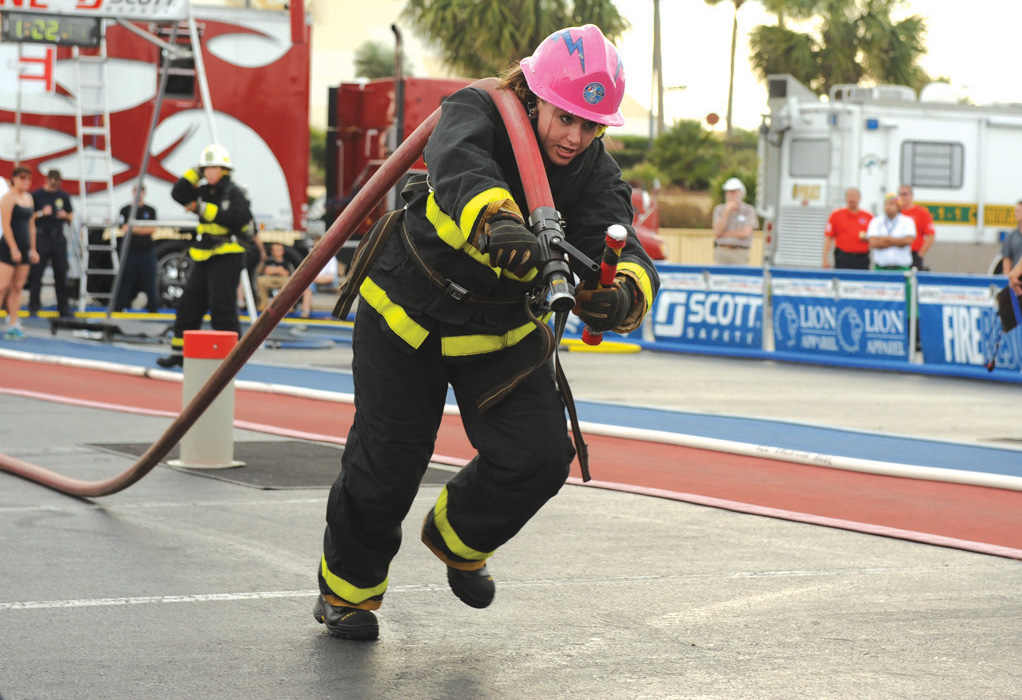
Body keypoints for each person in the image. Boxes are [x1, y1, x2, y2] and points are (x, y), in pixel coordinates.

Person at [312, 24, 660, 642]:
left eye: (591, 125)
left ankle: (459, 537)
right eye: (566, 118)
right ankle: (349, 595)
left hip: (497, 334)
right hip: (406, 320)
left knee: (542, 456)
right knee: (386, 467)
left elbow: (616, 234)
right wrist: (498, 224)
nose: (576, 137)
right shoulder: (473, 111)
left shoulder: (594, 170)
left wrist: (620, 293)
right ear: (530, 93)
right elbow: (463, 169)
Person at [156, 144, 251, 367]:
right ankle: (179, 354)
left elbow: (238, 219)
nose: (209, 173)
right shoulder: (204, 190)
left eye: (213, 168)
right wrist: (194, 173)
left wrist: (202, 209)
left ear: (225, 170)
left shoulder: (234, 192)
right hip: (203, 255)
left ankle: (230, 360)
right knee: (189, 305)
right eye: (205, 169)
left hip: (227, 255)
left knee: (222, 307)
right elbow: (178, 193)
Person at [28, 169, 73, 317]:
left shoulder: (63, 196)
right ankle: (34, 305)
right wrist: (41, 213)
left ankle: (63, 307)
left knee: (61, 273)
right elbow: (28, 217)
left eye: (57, 181)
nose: (55, 184)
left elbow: (71, 215)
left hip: (58, 237)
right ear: (47, 179)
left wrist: (66, 216)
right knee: (36, 273)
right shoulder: (36, 195)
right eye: (52, 181)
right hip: (41, 236)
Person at [0, 166, 39, 338]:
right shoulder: (8, 198)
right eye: (22, 178)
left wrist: (33, 249)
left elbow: (31, 226)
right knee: (2, 286)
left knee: (17, 287)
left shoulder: (29, 198)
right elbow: (6, 225)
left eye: (29, 179)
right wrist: (13, 247)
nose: (26, 182)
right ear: (14, 178)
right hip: (9, 247)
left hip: (24, 248)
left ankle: (13, 322)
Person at [115, 185, 160, 313]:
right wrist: (141, 228)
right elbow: (123, 228)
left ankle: (153, 309)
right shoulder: (125, 210)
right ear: (133, 192)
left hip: (147, 250)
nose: (139, 194)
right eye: (136, 191)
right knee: (125, 281)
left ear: (144, 193)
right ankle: (118, 308)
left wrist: (133, 228)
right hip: (130, 251)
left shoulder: (150, 210)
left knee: (150, 281)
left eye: (141, 191)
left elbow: (152, 229)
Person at [711, 177, 758, 265]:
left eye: (733, 192)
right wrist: (727, 212)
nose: (730, 195)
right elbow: (717, 232)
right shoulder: (719, 210)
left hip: (740, 252)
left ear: (741, 193)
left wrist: (725, 234)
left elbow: (745, 233)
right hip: (721, 251)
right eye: (728, 192)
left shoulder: (749, 210)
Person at [823, 187, 872, 269]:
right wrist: (825, 259)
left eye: (854, 196)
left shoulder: (868, 216)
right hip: (842, 257)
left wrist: (867, 238)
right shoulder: (836, 215)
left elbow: (875, 238)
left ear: (859, 198)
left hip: (862, 258)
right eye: (849, 196)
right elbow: (828, 237)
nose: (852, 199)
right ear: (845, 198)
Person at [867, 193, 915, 271]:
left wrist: (886, 239)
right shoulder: (876, 221)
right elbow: (873, 243)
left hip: (901, 268)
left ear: (898, 206)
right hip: (880, 268)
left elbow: (907, 241)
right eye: (886, 204)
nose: (888, 207)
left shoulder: (907, 221)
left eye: (891, 204)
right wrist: (898, 242)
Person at [897, 184, 935, 270]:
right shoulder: (896, 213)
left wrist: (920, 254)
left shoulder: (921, 212)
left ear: (911, 195)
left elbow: (931, 235)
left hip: (914, 254)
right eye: (900, 194)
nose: (902, 197)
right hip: (898, 253)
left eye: (905, 194)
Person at [255, 242, 294, 312]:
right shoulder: (269, 260)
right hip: (270, 279)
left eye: (279, 250)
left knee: (289, 282)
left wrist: (275, 270)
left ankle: (287, 305)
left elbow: (287, 274)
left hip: (282, 280)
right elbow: (267, 271)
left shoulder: (287, 262)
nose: (277, 252)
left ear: (283, 251)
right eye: (275, 250)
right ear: (272, 252)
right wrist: (279, 270)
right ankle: (263, 304)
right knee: (260, 280)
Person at [1000, 201, 1022, 275]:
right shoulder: (1010, 237)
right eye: (1015, 211)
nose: (1016, 213)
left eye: (1019, 211)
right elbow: (1007, 260)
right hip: (1016, 281)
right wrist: (1008, 278)